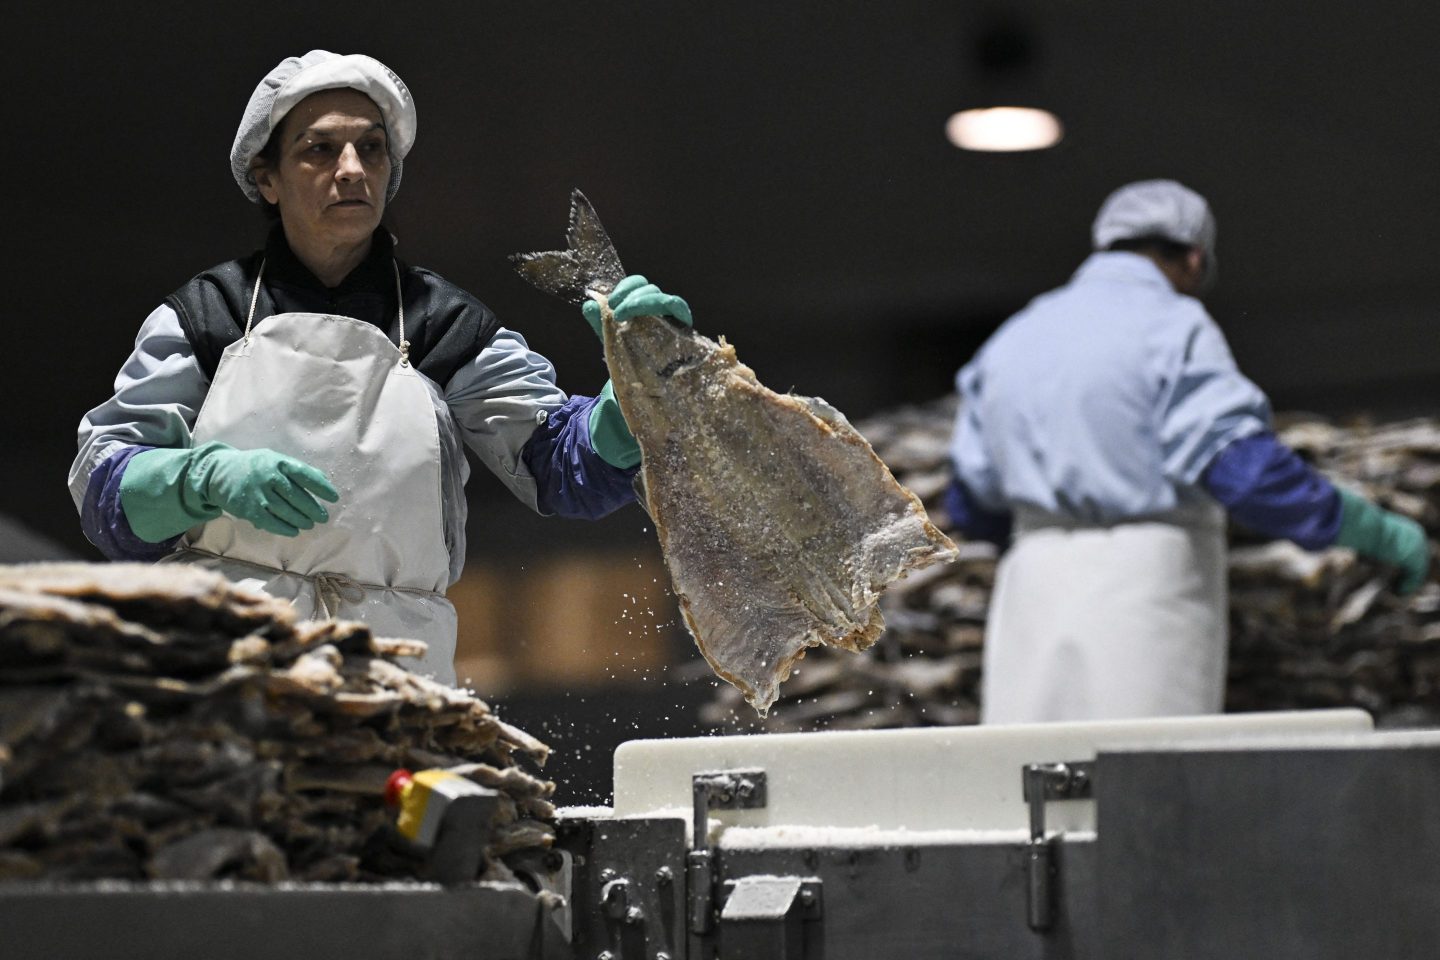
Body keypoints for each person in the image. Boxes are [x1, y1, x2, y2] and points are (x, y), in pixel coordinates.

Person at [69, 51, 692, 684]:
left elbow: (560, 469)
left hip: (398, 674)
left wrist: (629, 412)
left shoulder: (444, 323)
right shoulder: (205, 315)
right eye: (319, 150)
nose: (351, 170)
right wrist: (201, 480)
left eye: (371, 149)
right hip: (225, 672)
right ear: (267, 178)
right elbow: (105, 497)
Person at [948, 179, 1430, 724]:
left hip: (1031, 586)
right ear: (1194, 260)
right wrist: (1365, 527)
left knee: (1024, 784)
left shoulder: (1015, 337)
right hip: (1144, 587)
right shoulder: (1173, 326)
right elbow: (1243, 475)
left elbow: (970, 502)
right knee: (1141, 786)